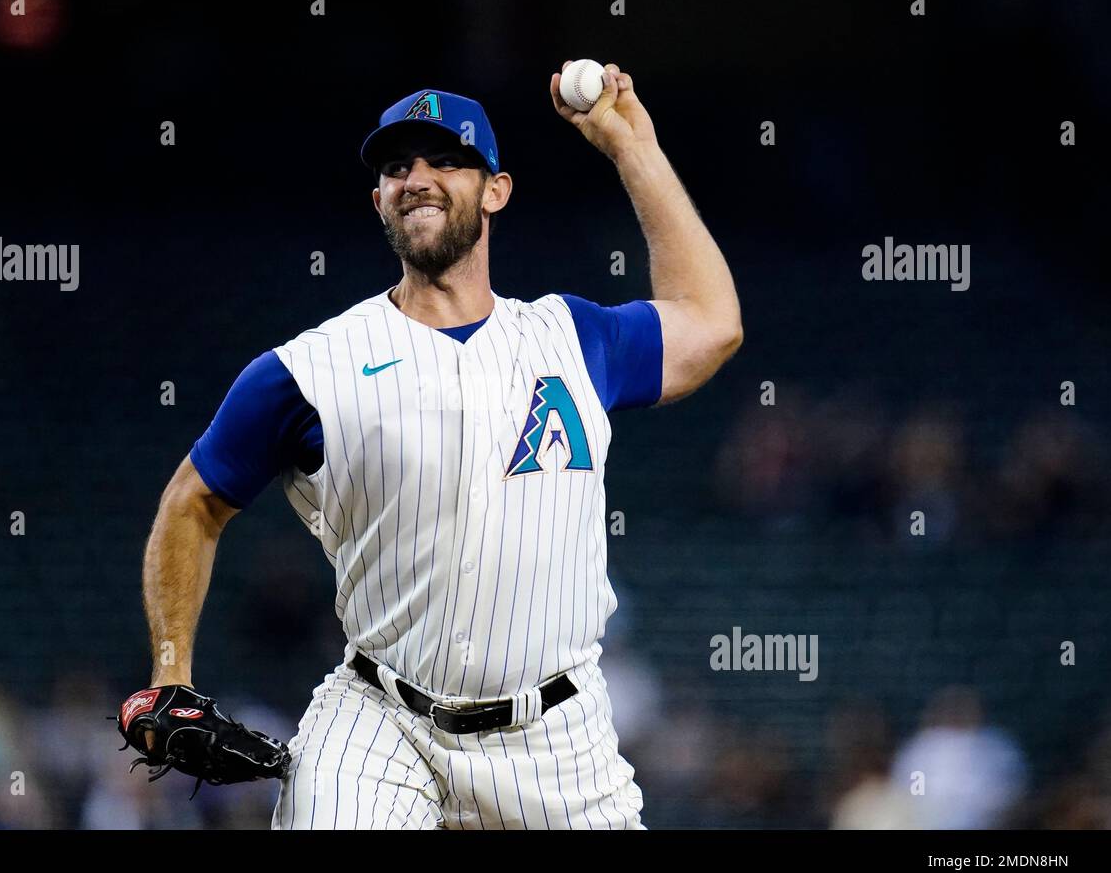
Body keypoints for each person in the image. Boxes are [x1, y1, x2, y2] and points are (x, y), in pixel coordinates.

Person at [135, 63, 742, 828]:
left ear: (496, 190)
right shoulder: (308, 369)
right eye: (397, 167)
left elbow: (711, 321)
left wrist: (634, 150)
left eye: (446, 159)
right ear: (378, 201)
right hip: (382, 721)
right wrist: (170, 676)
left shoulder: (572, 337)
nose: (417, 178)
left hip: (557, 736)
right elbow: (194, 500)